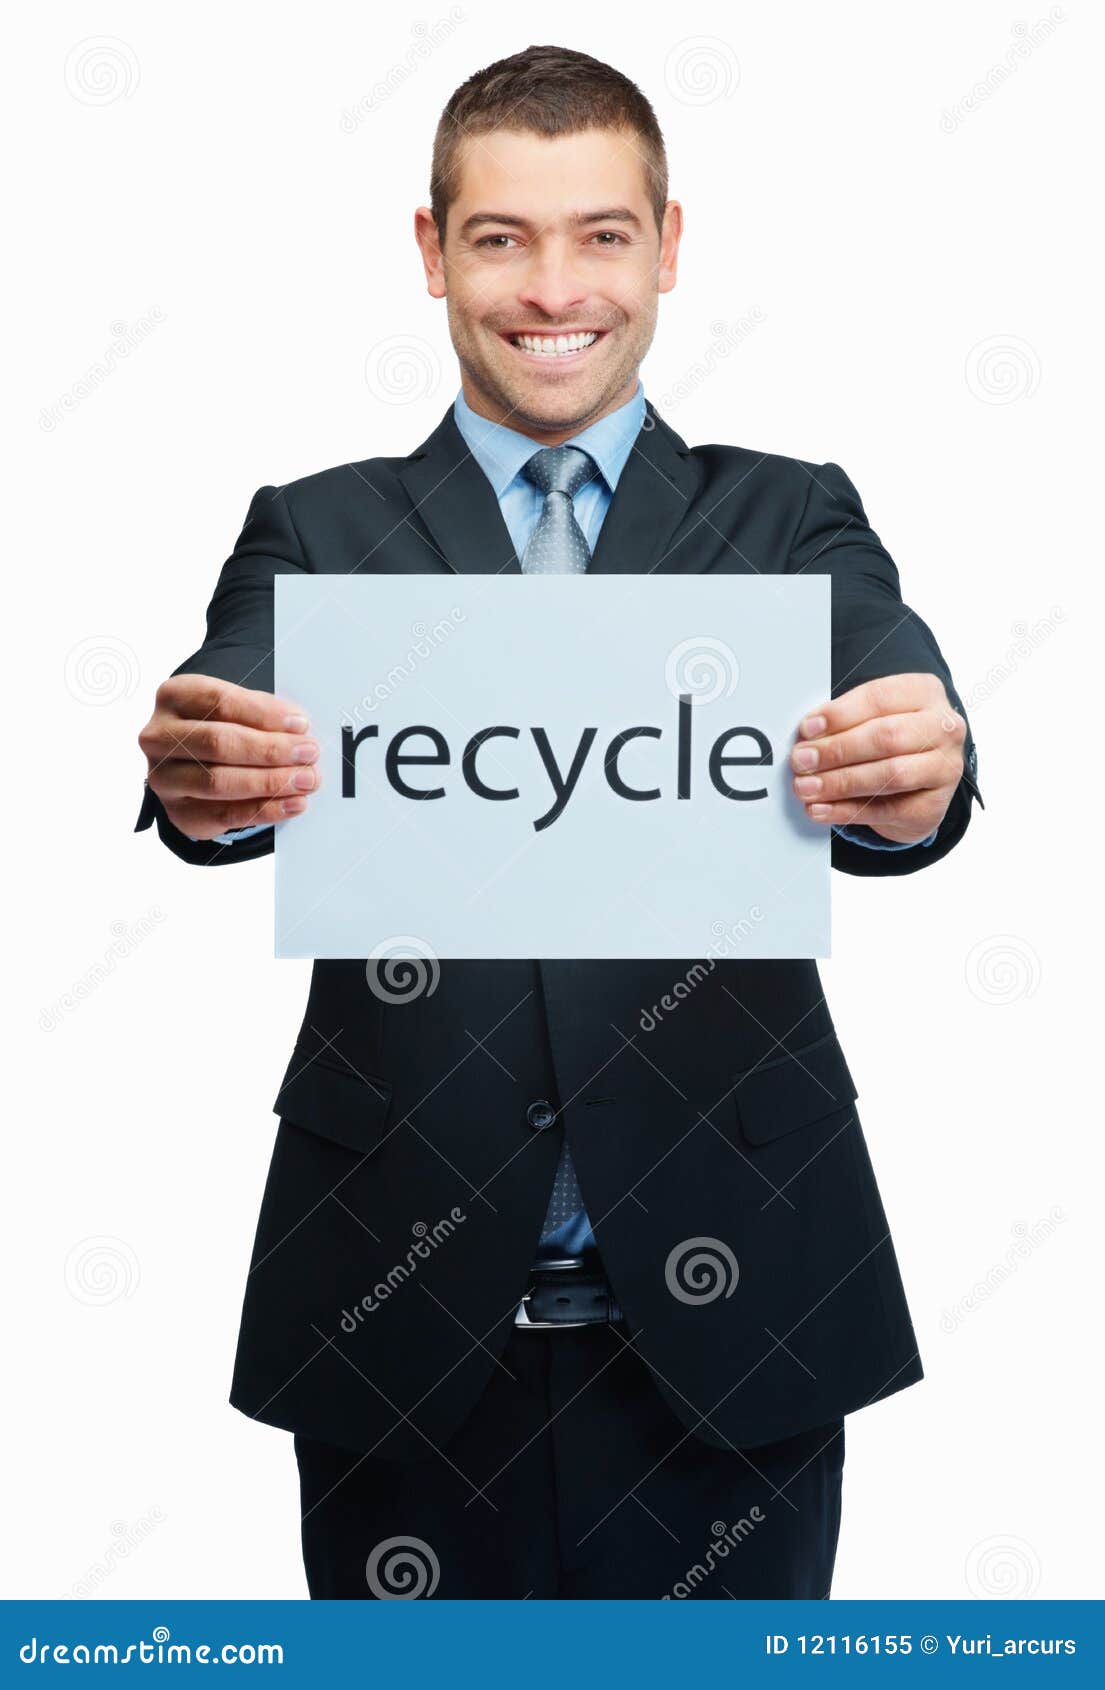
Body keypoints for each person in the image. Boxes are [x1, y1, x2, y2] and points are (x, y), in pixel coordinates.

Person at [135, 44, 982, 1600]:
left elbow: (889, 686)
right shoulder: (318, 529)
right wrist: (205, 769)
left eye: (600, 234)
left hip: (739, 1320)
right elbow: (228, 708)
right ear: (431, 251)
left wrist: (918, 757)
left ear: (665, 249)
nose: (552, 287)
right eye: (500, 236)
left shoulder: (785, 513)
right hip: (403, 1320)